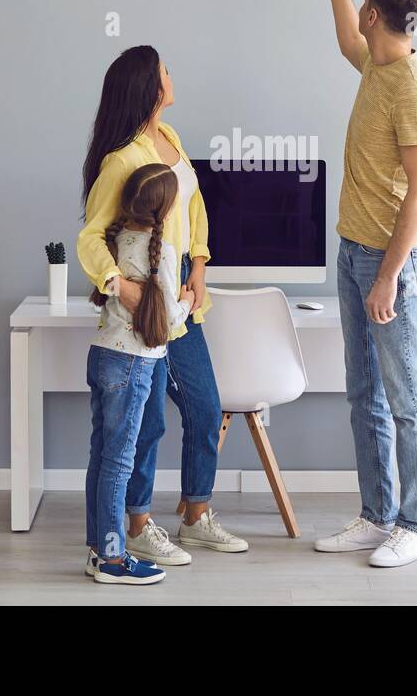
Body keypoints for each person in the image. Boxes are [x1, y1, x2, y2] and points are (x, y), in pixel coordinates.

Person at [78, 45, 249, 564]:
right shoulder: (121, 160)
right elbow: (90, 237)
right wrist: (122, 288)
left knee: (204, 407)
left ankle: (195, 516)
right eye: (165, 71)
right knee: (146, 423)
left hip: (184, 305)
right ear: (151, 88)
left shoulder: (169, 139)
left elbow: (194, 205)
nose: (172, 76)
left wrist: (199, 266)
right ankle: (137, 525)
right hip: (144, 313)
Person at [302, 0, 417, 568]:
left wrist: (388, 277)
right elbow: (344, 42)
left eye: (361, 0)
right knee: (364, 393)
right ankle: (377, 514)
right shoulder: (379, 66)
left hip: (392, 266)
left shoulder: (411, 87)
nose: (356, 10)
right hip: (353, 253)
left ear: (376, 16)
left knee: (406, 397)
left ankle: (414, 524)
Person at [84, 164, 194, 584]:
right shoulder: (161, 252)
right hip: (132, 363)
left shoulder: (118, 242)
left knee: (102, 457)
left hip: (102, 356)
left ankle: (99, 550)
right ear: (166, 210)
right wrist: (185, 300)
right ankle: (113, 561)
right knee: (119, 461)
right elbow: (164, 322)